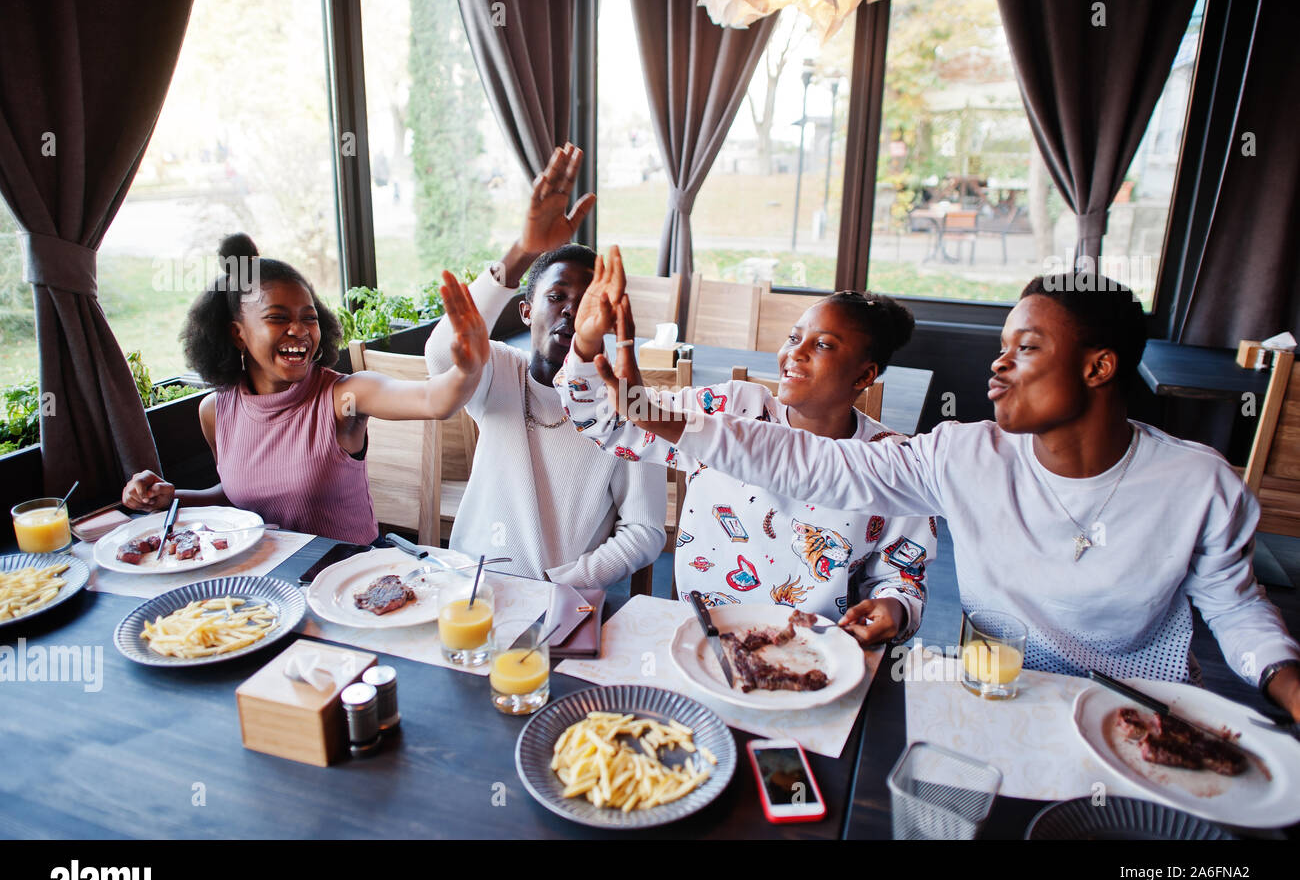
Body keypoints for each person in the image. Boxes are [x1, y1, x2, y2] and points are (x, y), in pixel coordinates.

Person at [592, 271, 1300, 720]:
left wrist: (1286, 680)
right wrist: (651, 409)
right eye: (1001, 345)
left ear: (1099, 366)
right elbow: (815, 465)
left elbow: (1236, 606)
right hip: (1001, 696)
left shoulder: (1199, 483)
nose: (997, 362)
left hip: (1140, 710)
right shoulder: (965, 454)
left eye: (1025, 348)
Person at [559, 246, 937, 647]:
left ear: (865, 375)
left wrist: (894, 607)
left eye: (823, 344)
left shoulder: (894, 462)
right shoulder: (731, 408)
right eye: (794, 337)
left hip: (818, 650)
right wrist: (586, 344)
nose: (796, 351)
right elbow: (609, 422)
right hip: (705, 639)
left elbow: (903, 577)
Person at [122, 234, 490, 545]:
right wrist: (169, 498)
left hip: (347, 583)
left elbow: (435, 400)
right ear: (237, 333)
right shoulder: (215, 411)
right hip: (266, 584)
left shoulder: (343, 398)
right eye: (278, 318)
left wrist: (467, 368)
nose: (299, 331)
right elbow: (237, 497)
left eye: (309, 318)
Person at [423, 144, 666, 588]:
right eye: (556, 298)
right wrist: (523, 250)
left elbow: (644, 531)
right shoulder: (499, 371)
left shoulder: (628, 402)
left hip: (562, 599)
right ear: (526, 312)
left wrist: (565, 583)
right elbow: (441, 358)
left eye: (587, 302)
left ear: (608, 315)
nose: (571, 312)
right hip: (469, 586)